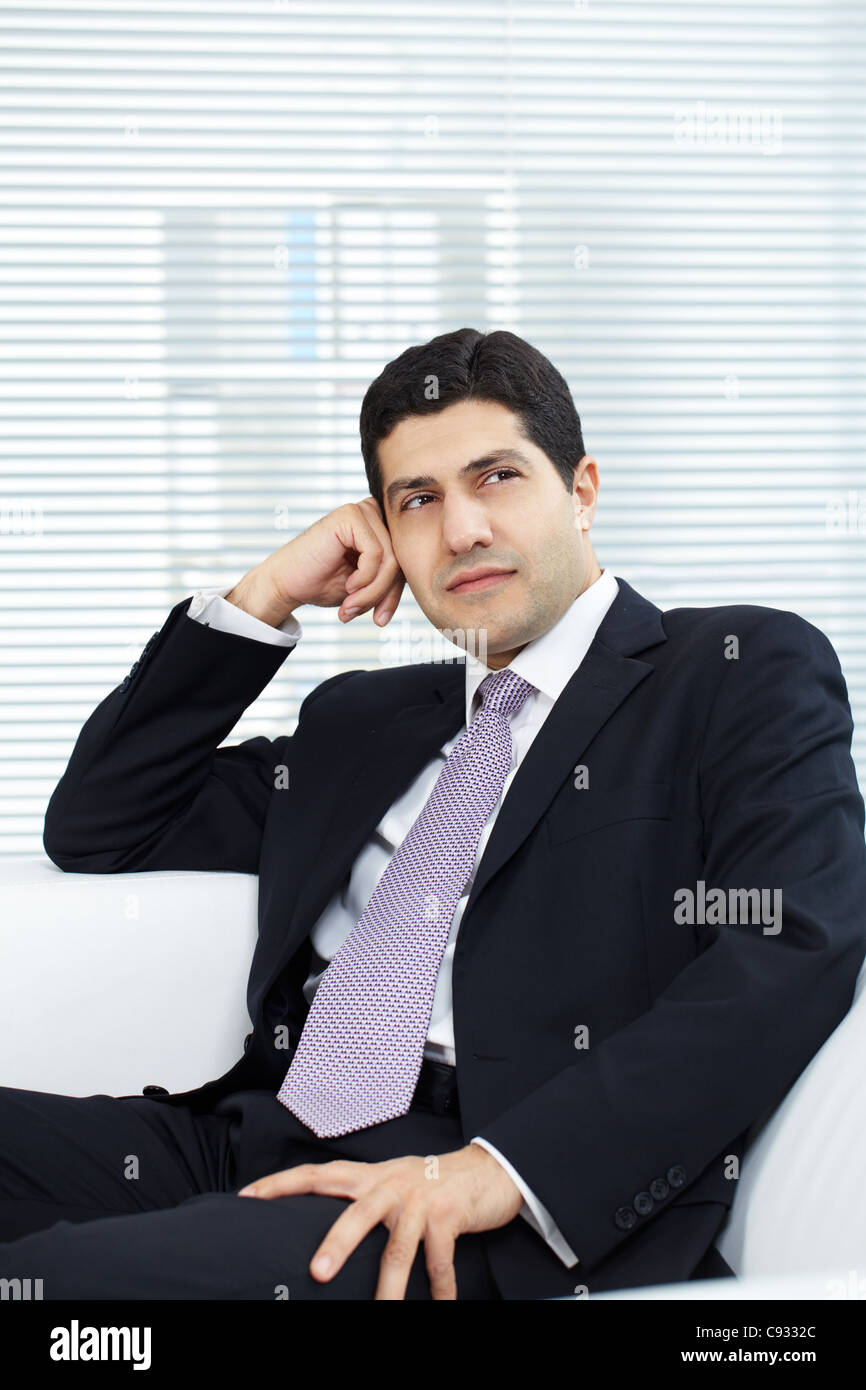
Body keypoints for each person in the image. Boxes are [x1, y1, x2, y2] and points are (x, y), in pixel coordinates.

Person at [2, 328, 864, 1300]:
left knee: (50, 1288)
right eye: (418, 500)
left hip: (470, 1187)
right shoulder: (363, 720)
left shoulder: (730, 673)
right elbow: (103, 821)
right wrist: (264, 595)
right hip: (247, 1135)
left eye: (494, 477)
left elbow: (789, 946)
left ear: (579, 490)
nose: (459, 531)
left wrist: (502, 1168)